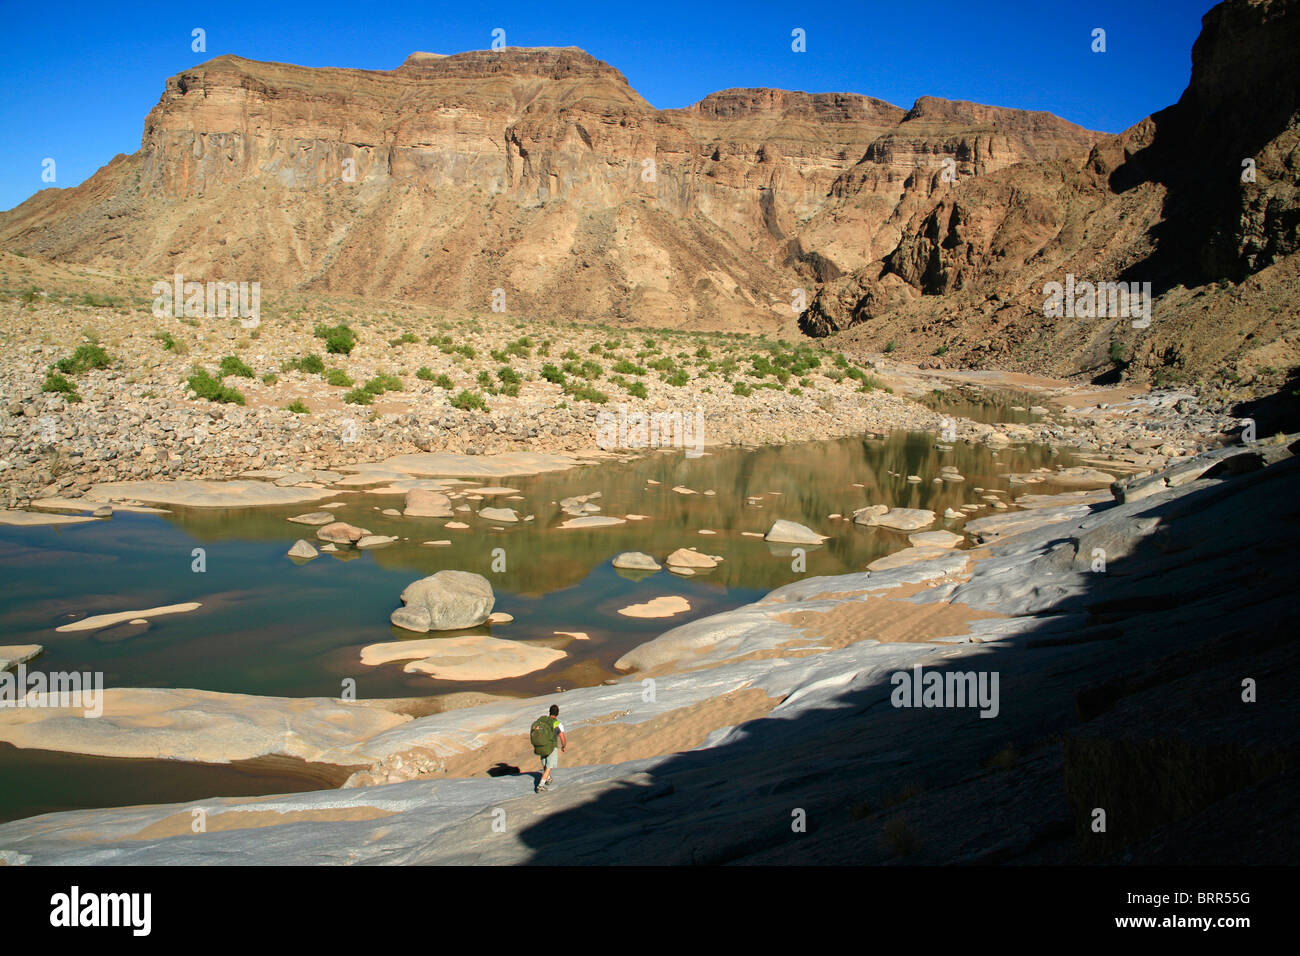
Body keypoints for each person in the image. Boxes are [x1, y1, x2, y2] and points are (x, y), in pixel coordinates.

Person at [537, 704, 566, 793]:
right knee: (549, 766)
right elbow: (562, 736)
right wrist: (563, 745)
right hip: (551, 746)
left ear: (549, 711)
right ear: (557, 713)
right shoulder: (557, 723)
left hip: (542, 745)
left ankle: (548, 778)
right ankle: (540, 786)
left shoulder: (542, 721)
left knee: (545, 763)